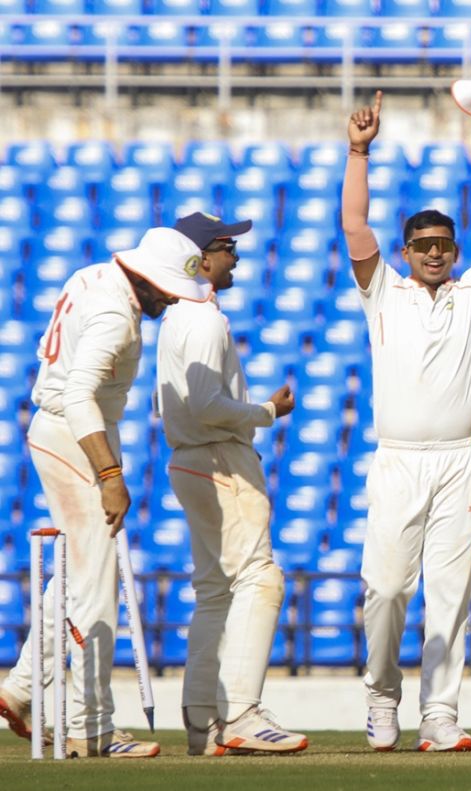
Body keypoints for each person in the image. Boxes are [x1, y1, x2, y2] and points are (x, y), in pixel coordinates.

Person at [342, 90, 471, 752]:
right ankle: (381, 693)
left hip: (460, 459)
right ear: (407, 248)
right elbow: (353, 225)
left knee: (451, 593)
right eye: (421, 244)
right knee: (388, 587)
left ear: (454, 249)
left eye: (442, 245)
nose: (432, 253)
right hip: (397, 459)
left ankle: (440, 713)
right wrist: (359, 152)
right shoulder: (382, 290)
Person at [0, 227, 210, 758]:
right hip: (75, 433)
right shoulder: (117, 314)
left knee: (76, 576)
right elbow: (78, 394)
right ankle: (87, 728)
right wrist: (110, 476)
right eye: (165, 290)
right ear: (143, 277)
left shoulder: (94, 275)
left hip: (65, 429)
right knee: (95, 585)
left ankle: (22, 689)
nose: (168, 300)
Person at [160, 212, 307, 756]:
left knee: (215, 593)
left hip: (190, 460)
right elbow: (204, 403)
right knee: (260, 578)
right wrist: (266, 410)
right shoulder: (203, 319)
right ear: (199, 258)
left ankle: (203, 721)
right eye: (226, 247)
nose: (236, 256)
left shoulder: (179, 317)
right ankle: (242, 711)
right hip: (219, 458)